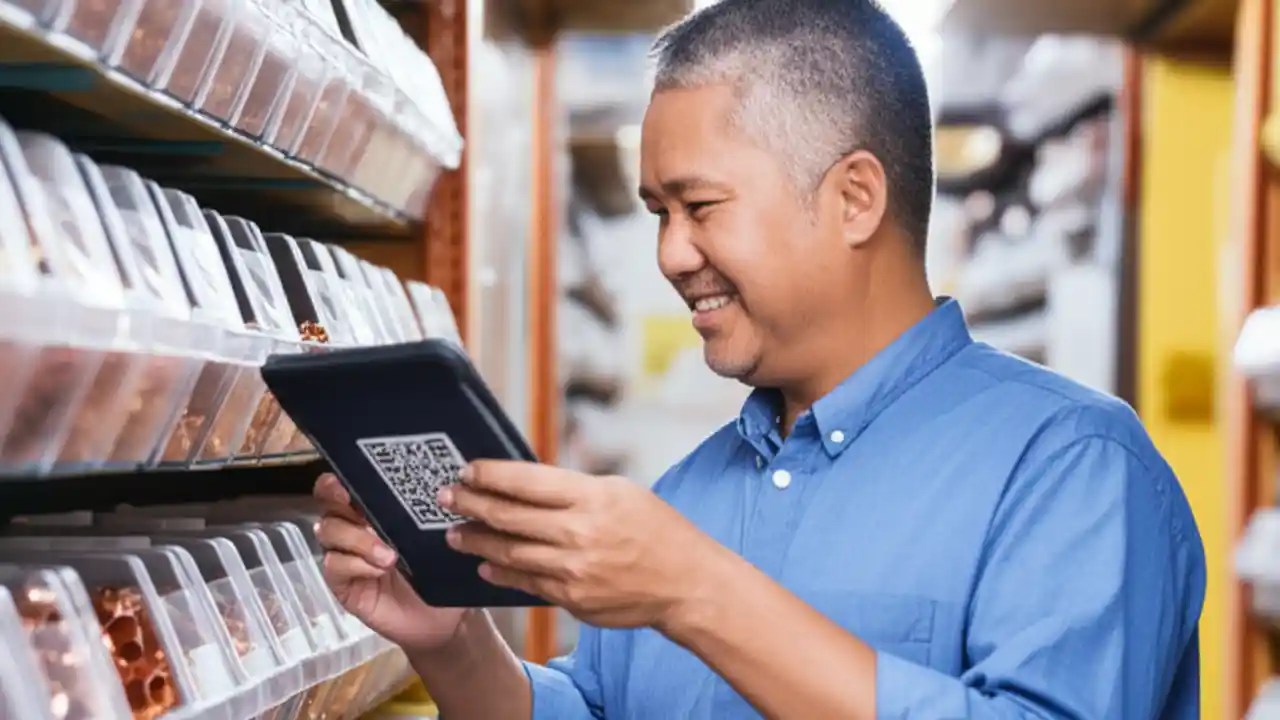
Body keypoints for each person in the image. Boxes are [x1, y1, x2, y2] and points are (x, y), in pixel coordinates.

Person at [313, 0, 1206, 717]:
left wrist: (692, 590)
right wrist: (453, 641)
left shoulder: (1073, 469)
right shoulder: (687, 495)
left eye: (700, 206)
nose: (669, 254)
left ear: (855, 198)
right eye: (659, 212)